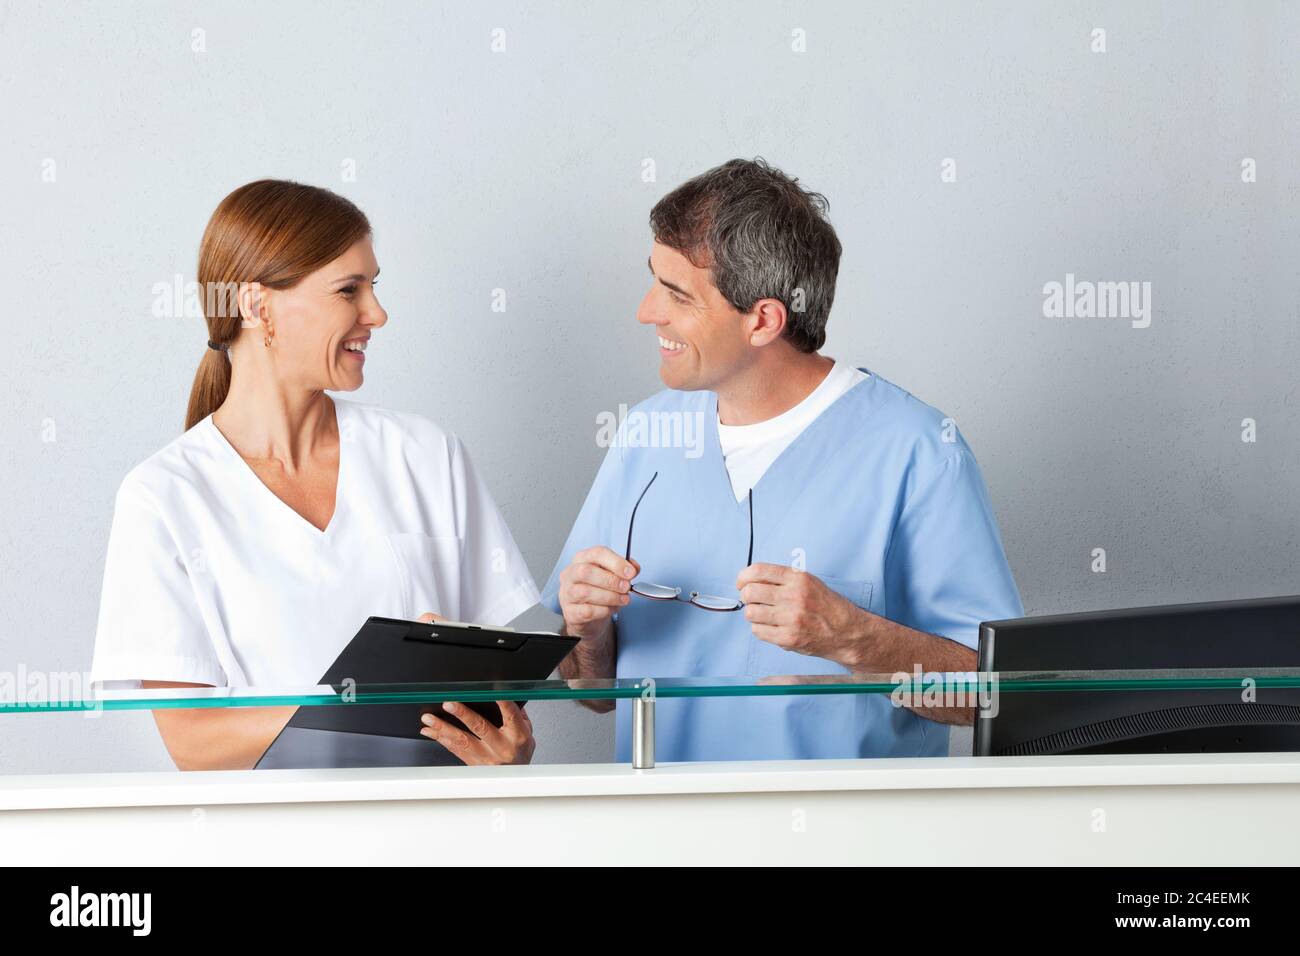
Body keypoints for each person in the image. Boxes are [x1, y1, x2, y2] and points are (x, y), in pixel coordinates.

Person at [542, 158, 1023, 762]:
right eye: (653, 281)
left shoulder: (918, 450)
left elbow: (990, 693)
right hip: (662, 838)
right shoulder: (645, 435)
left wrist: (857, 638)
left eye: (676, 294)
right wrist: (585, 630)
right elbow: (593, 694)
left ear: (763, 320)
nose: (646, 311)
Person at [90, 180, 539, 769]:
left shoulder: (427, 455)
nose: (377, 313)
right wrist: (369, 687)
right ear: (256, 305)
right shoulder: (165, 497)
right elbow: (196, 742)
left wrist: (504, 744)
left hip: (442, 834)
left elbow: (503, 688)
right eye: (349, 290)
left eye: (373, 286)